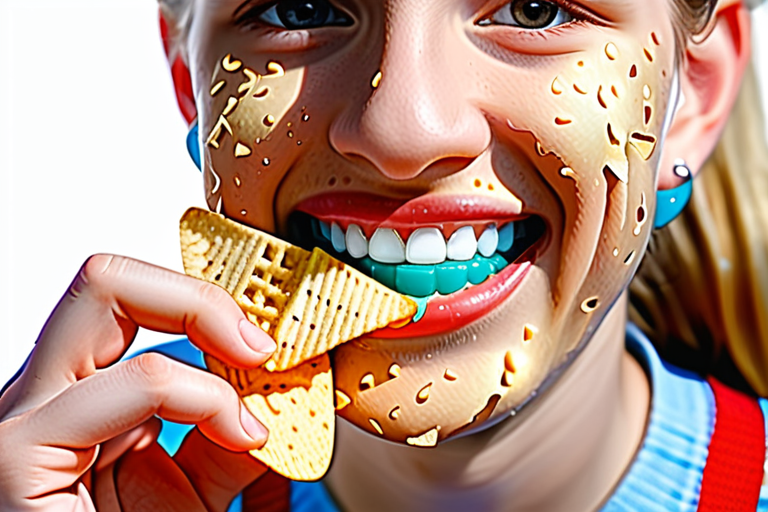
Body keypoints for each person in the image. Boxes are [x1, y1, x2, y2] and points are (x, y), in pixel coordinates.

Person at [1, 0, 767, 510]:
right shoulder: (85, 478)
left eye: (534, 7)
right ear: (189, 84)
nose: (405, 130)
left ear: (692, 90)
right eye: (299, 6)